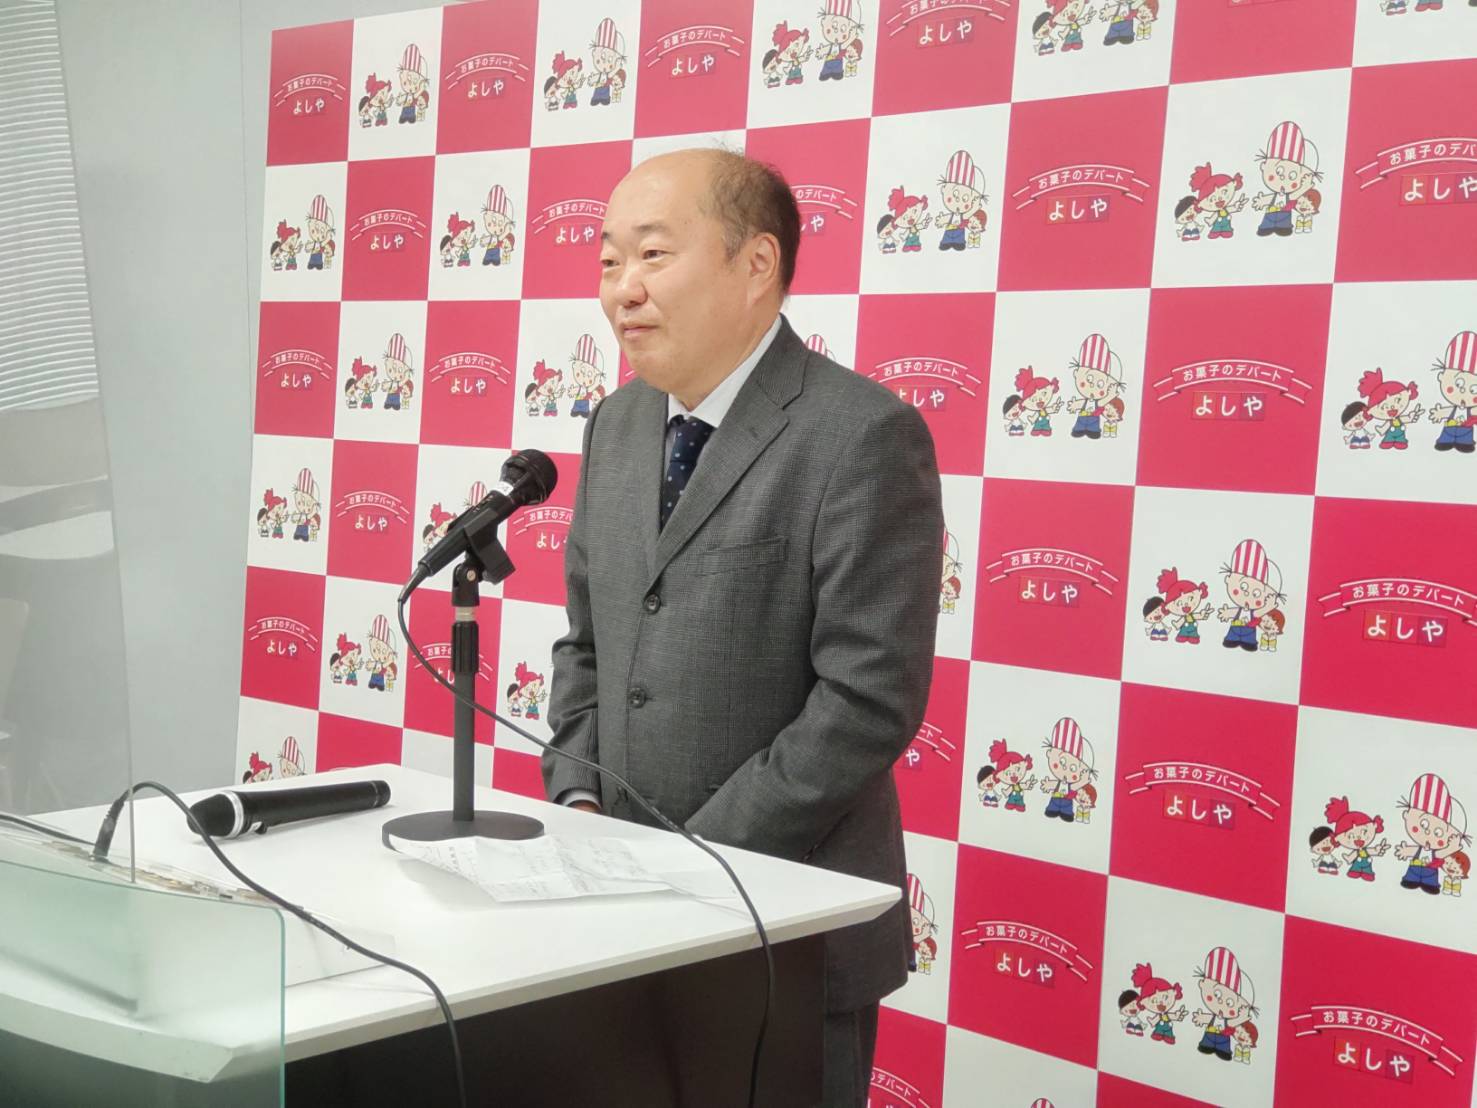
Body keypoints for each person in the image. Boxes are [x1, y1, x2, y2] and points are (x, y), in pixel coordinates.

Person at [542, 148, 943, 1108]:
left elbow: (865, 699)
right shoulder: (618, 425)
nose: (621, 291)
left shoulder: (860, 434)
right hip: (618, 917)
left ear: (756, 264)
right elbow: (587, 642)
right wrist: (582, 802)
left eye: (650, 255)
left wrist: (694, 855)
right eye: (606, 262)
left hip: (782, 927)